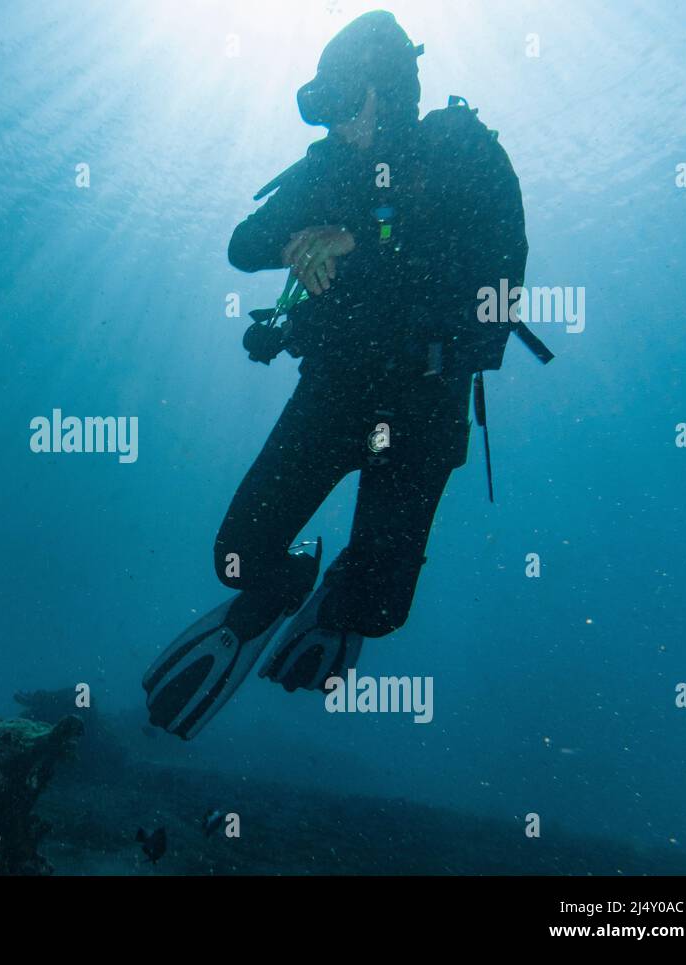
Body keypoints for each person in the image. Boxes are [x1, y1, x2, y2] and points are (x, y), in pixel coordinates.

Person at [144, 10, 537, 739]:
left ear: (387, 89)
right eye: (320, 102)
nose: (333, 120)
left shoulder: (463, 150)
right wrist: (299, 238)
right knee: (236, 556)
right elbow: (242, 245)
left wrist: (360, 238)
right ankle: (285, 585)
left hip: (425, 407)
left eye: (344, 98)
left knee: (381, 613)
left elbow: (499, 284)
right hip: (336, 390)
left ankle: (346, 598)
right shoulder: (330, 166)